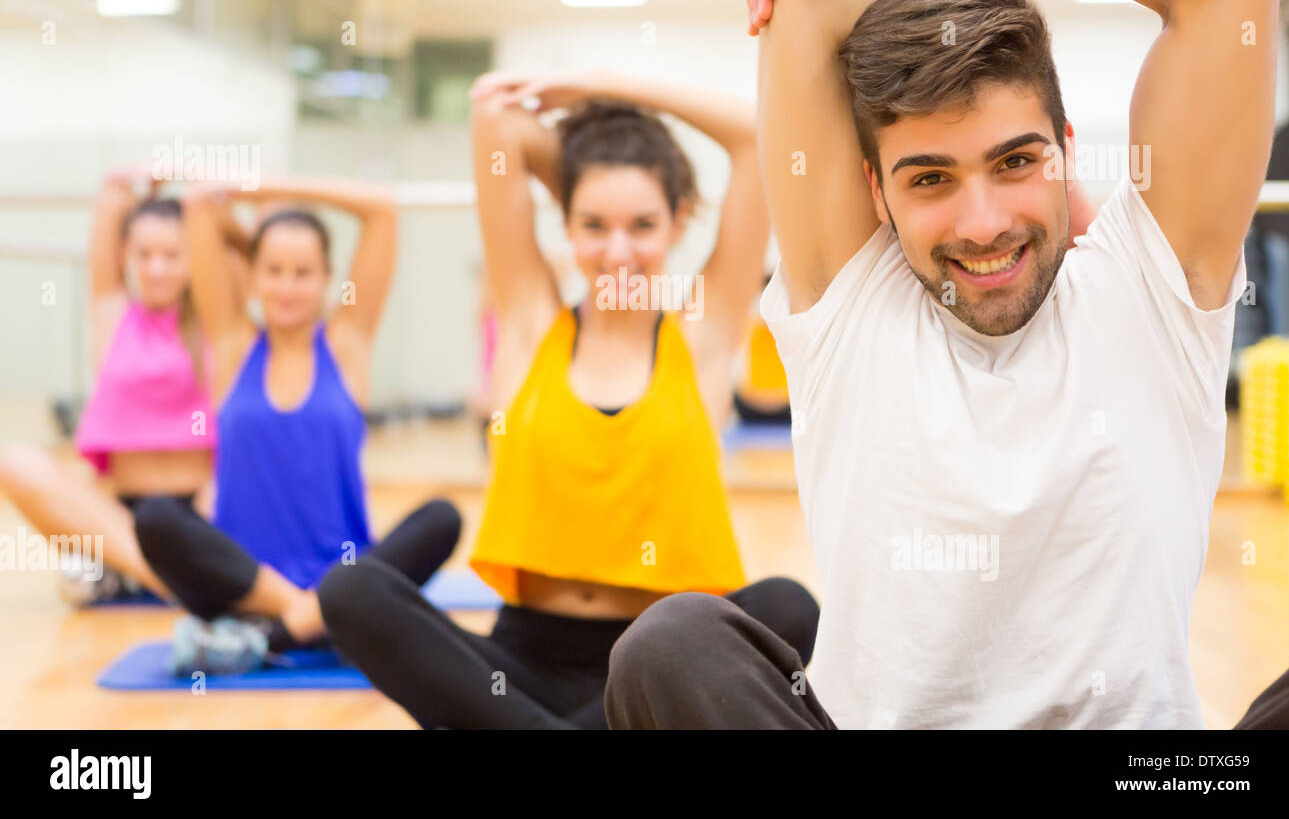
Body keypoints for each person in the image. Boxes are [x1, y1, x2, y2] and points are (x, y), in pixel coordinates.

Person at [605, 0, 1287, 728]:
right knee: (674, 644)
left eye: (1015, 160)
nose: (984, 223)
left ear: (1065, 153)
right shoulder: (850, 306)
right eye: (930, 178)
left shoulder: (1151, 286)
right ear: (875, 194)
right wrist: (959, 37)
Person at [318, 69, 820, 728]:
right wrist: (599, 142)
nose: (617, 251)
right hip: (518, 667)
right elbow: (493, 116)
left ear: (678, 221)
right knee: (352, 590)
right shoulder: (530, 321)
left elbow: (754, 140)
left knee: (788, 606)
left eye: (642, 224)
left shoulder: (703, 333)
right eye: (593, 224)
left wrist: (600, 87)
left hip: (656, 658)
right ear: (566, 223)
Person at [130, 174, 454, 672]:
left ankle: (269, 638)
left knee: (442, 518)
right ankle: (305, 621)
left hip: (344, 581)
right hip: (241, 590)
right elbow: (198, 207)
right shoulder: (234, 343)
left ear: (328, 279)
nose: (285, 286)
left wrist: (271, 187)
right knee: (154, 517)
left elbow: (383, 208)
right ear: (253, 276)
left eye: (303, 272)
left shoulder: (348, 345)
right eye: (273, 270)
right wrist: (241, 216)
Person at [0, 165, 246, 604]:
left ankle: (176, 577)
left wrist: (195, 192)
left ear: (196, 258)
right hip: (123, 519)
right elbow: (112, 192)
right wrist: (150, 180)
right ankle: (170, 581)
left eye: (173, 255)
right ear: (125, 256)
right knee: (15, 462)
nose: (156, 268)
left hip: (203, 512)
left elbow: (239, 247)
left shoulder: (217, 320)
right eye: (144, 254)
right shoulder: (112, 311)